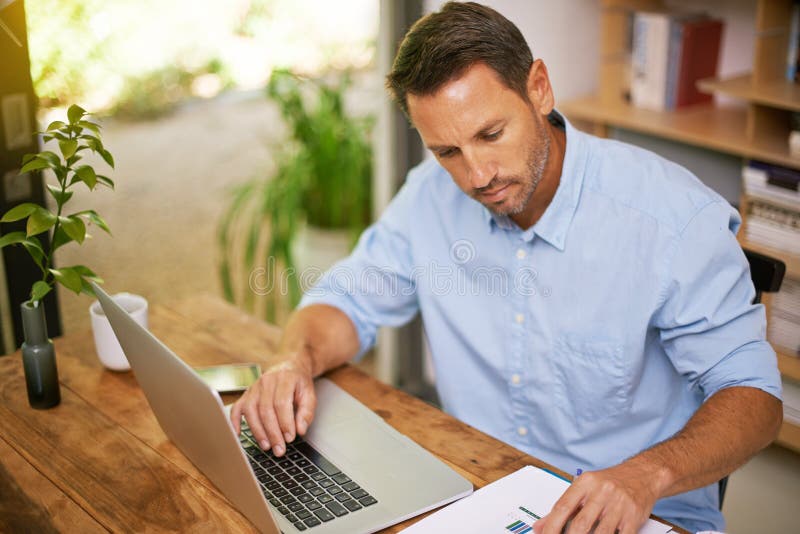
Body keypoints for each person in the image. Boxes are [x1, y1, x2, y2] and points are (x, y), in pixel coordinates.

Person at [231, 2, 783, 532]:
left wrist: (644, 476)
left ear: (538, 88)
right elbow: (347, 300)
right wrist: (290, 362)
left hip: (643, 513)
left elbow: (755, 400)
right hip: (478, 492)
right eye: (447, 152)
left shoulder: (671, 220)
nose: (477, 175)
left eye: (490, 135)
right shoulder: (429, 197)